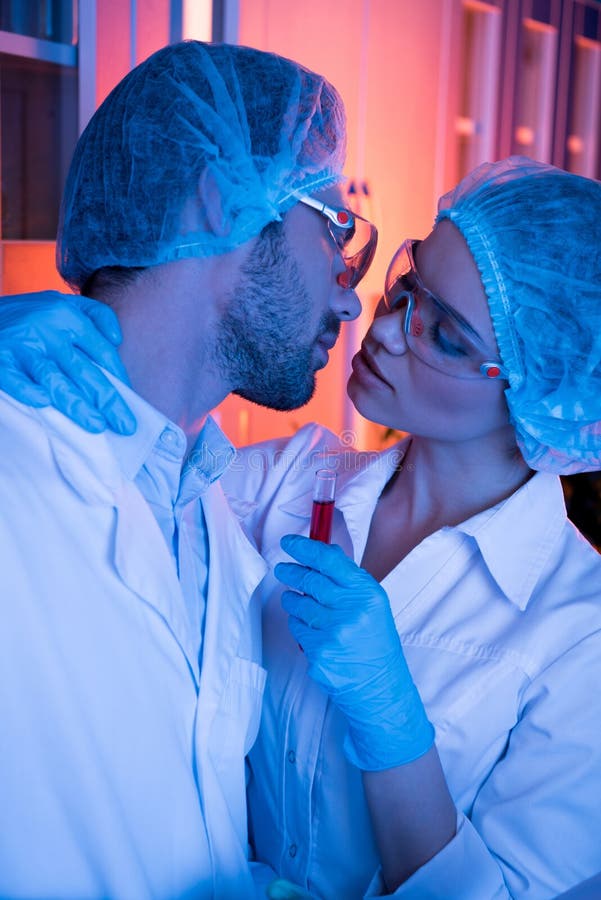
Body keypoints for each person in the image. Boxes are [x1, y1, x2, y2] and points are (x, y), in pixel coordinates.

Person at [2, 158, 600, 899]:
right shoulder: (288, 483)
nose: (380, 330)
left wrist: (393, 727)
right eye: (406, 290)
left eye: (442, 335)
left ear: (547, 394)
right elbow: (136, 460)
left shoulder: (580, 632)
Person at [0, 39, 378, 899]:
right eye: (335, 229)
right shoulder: (11, 463)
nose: (351, 291)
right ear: (221, 201)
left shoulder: (206, 512)